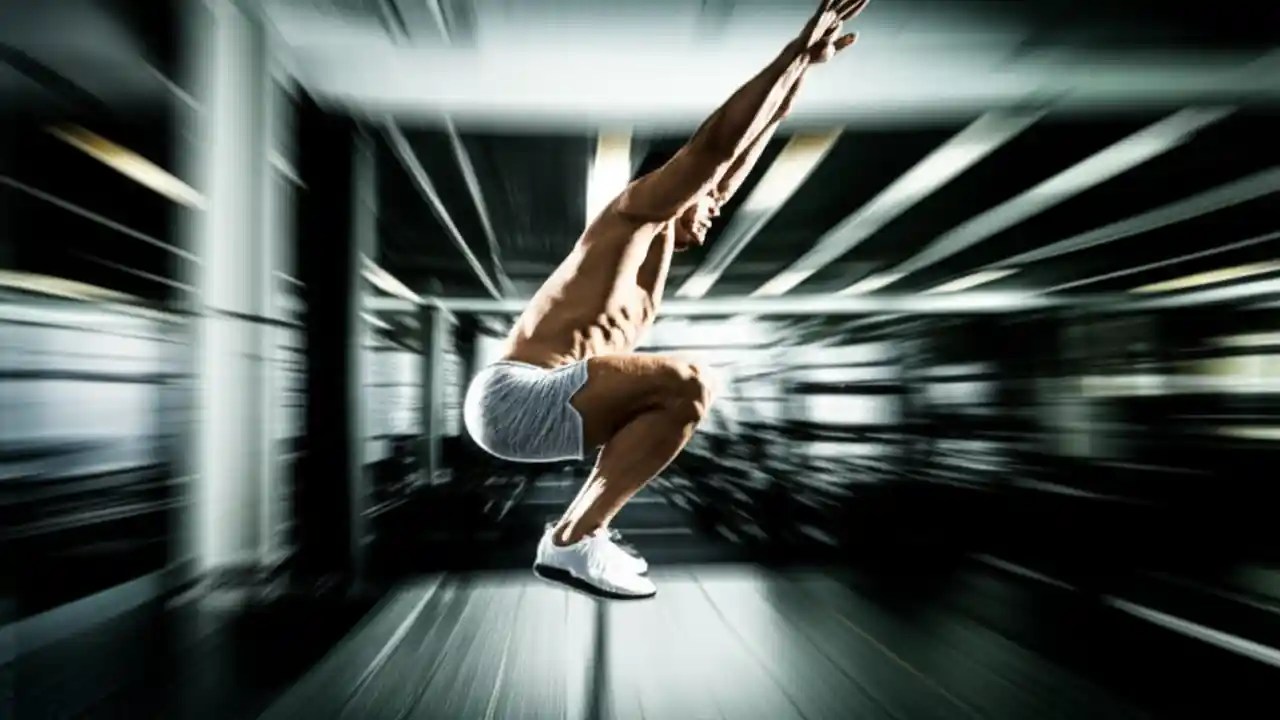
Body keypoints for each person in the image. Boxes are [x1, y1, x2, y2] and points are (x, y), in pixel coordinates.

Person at [463, 0, 870, 598]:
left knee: (682, 399)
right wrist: (787, 52)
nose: (715, 210)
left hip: (542, 413)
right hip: (513, 399)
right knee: (690, 379)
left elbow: (736, 157)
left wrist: (802, 70)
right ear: (672, 189)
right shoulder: (630, 218)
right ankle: (575, 541)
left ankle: (576, 536)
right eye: (706, 199)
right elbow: (713, 150)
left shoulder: (658, 251)